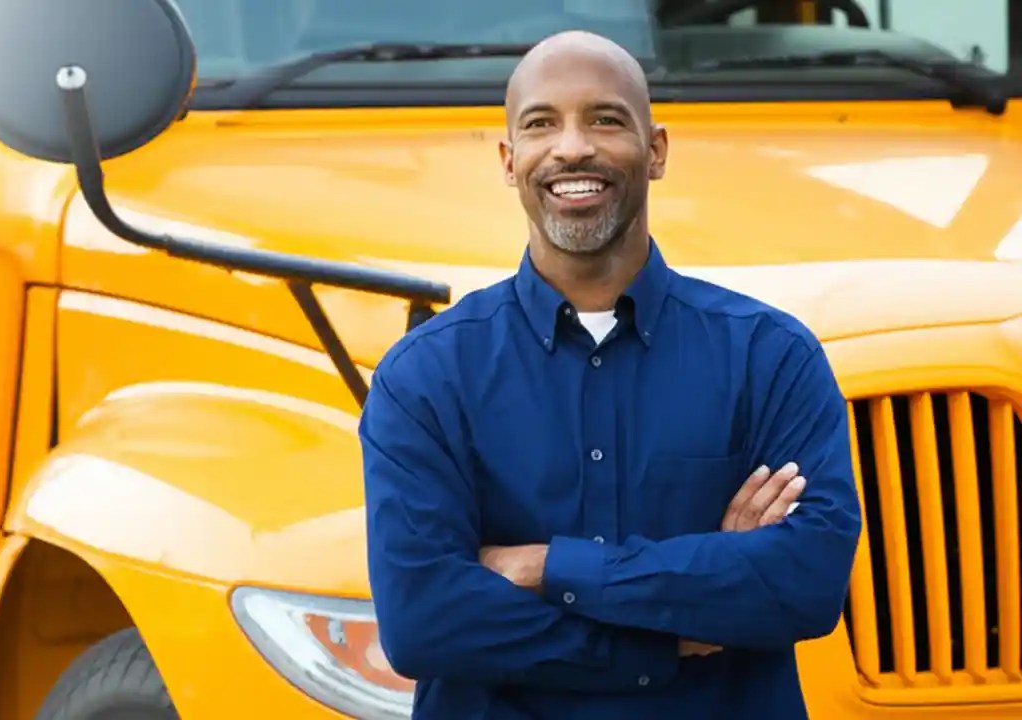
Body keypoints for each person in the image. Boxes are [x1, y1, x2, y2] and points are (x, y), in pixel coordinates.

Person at [358, 30, 862, 719]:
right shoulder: (424, 376)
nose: (572, 147)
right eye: (541, 124)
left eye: (605, 119)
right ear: (510, 161)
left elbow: (806, 583)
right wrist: (682, 620)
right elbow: (424, 623)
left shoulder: (770, 357)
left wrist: (543, 568)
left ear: (655, 152)